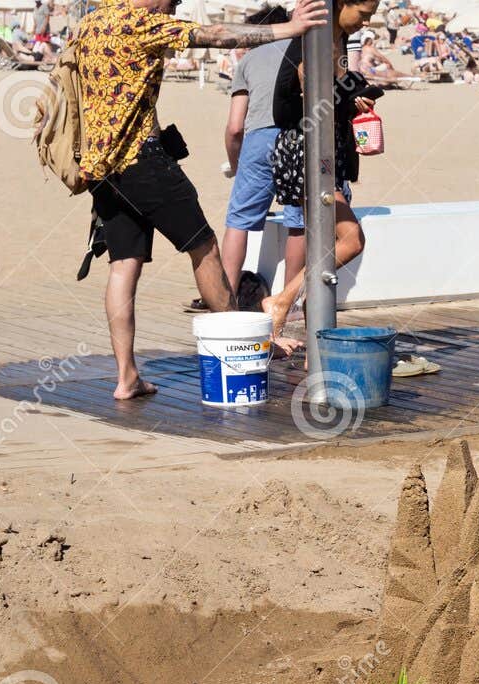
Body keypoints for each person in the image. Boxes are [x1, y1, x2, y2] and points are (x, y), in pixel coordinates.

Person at [76, 0, 327, 401]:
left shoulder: (92, 22)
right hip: (144, 162)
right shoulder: (140, 22)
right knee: (204, 248)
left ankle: (127, 378)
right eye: (173, 1)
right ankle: (243, 350)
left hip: (101, 166)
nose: (174, 7)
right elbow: (214, 35)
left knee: (123, 265)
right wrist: (289, 29)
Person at [260, 0, 383, 346]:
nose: (367, 21)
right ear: (342, 4)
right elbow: (298, 103)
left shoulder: (336, 39)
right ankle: (281, 301)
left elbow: (328, 95)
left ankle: (315, 333)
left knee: (324, 243)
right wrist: (344, 94)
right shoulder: (314, 37)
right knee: (351, 240)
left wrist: (354, 95)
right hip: (307, 150)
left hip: (320, 148)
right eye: (363, 13)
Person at [219, 6, 295, 303]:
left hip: (259, 138)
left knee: (239, 221)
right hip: (299, 136)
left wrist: (238, 166)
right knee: (297, 222)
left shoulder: (250, 59)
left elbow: (235, 127)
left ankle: (225, 298)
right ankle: (290, 301)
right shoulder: (307, 51)